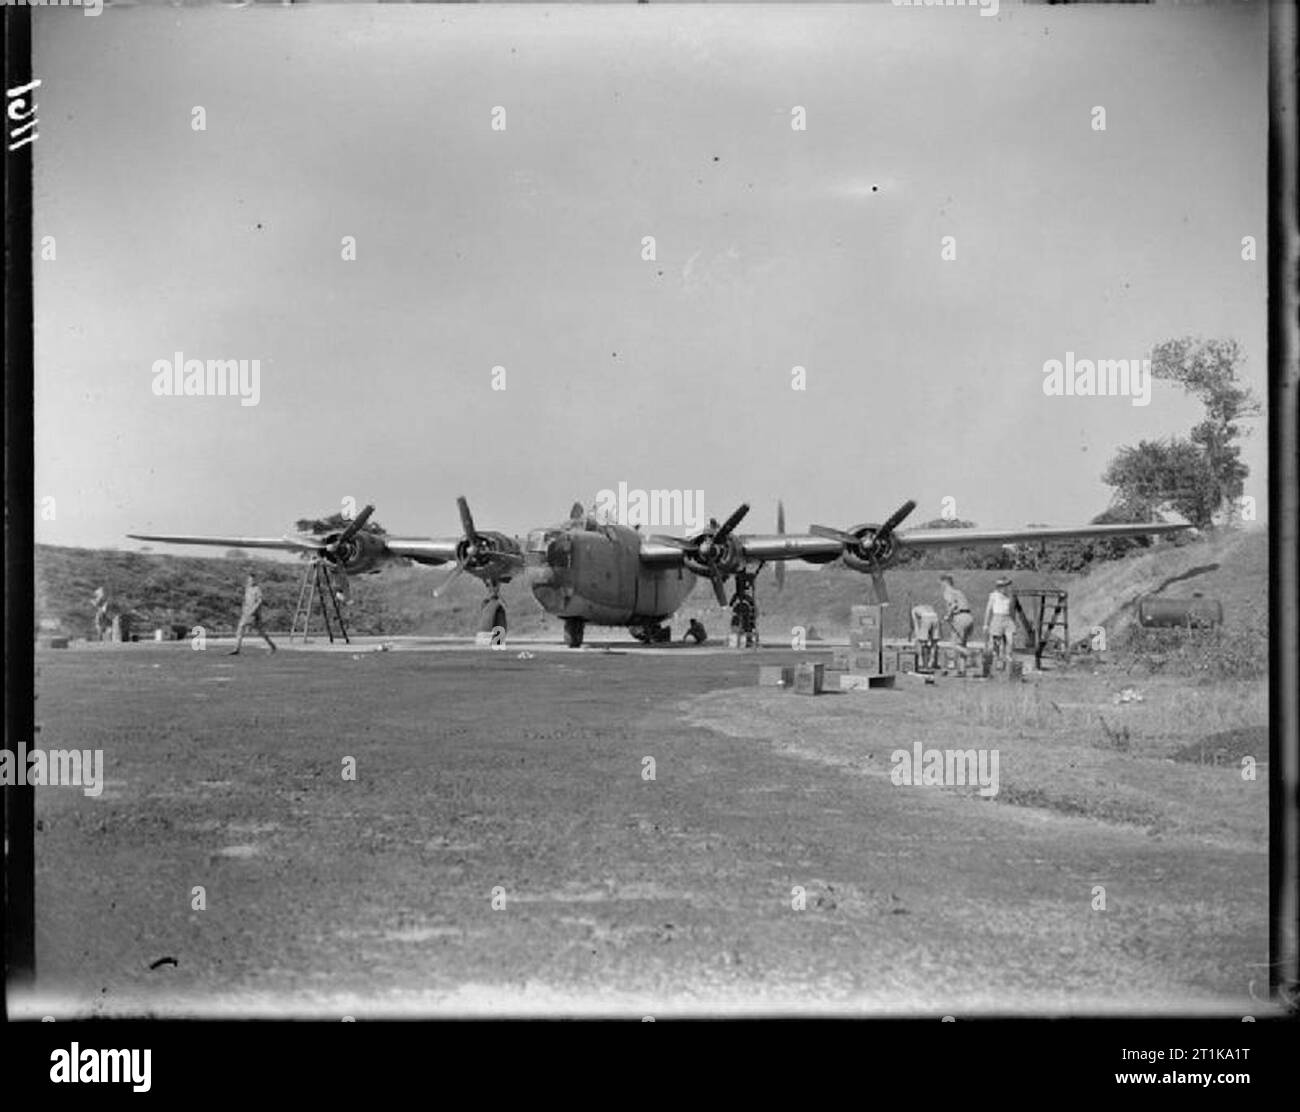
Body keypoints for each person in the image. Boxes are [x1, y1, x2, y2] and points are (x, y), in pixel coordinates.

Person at [228, 571, 277, 655]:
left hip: (254, 614)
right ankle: (236, 649)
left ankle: (272, 646)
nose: (251, 581)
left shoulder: (257, 589)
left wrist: (253, 610)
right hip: (246, 613)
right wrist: (244, 609)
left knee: (258, 631)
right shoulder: (247, 589)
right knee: (241, 628)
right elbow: (246, 601)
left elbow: (259, 601)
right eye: (250, 579)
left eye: (252, 580)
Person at [984, 577, 1017, 668]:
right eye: (1004, 586)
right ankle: (997, 661)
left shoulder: (1010, 596)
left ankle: (1009, 657)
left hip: (1007, 619)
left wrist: (1013, 622)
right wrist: (986, 624)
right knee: (996, 643)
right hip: (997, 618)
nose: (1006, 588)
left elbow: (1012, 610)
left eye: (1007, 586)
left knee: (1011, 640)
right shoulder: (993, 595)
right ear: (999, 587)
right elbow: (988, 609)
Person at [939, 574, 975, 649]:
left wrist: (948, 616)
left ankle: (972, 655)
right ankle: (965, 660)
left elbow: (953, 605)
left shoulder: (948, 592)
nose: (941, 586)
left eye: (941, 584)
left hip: (960, 618)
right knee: (963, 645)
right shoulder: (959, 592)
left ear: (945, 582)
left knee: (955, 646)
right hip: (968, 618)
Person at [910, 602, 940, 670]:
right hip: (935, 617)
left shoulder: (914, 610)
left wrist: (919, 637)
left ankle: (923, 663)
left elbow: (916, 625)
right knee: (934, 642)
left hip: (926, 617)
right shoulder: (928, 606)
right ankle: (931, 661)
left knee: (923, 643)